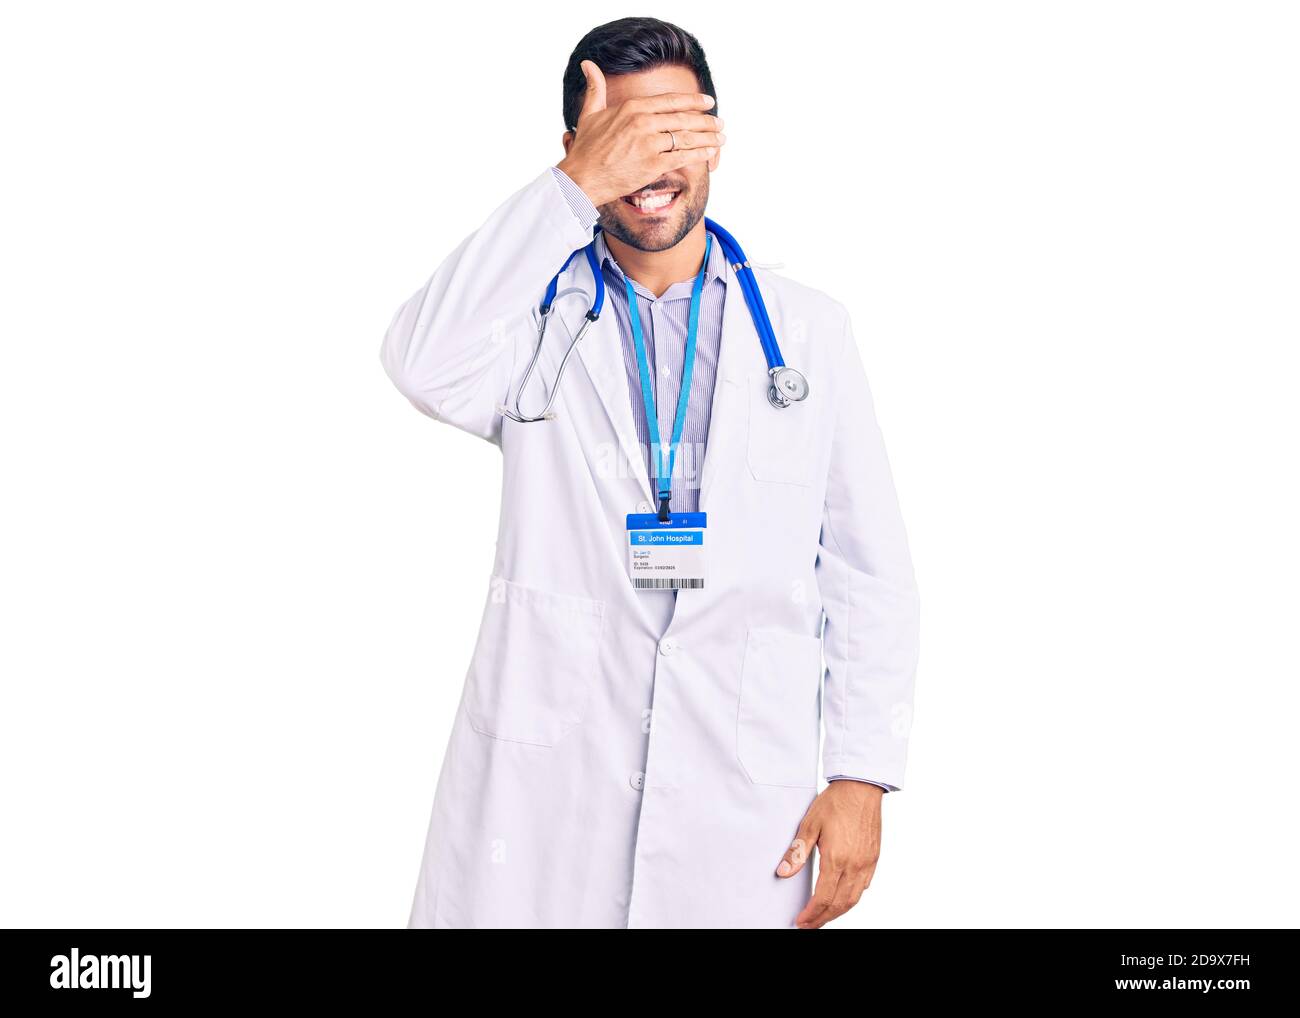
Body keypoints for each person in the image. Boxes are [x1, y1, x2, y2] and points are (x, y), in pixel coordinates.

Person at [380, 16, 920, 929]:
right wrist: (573, 186)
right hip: (547, 795)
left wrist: (860, 777)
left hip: (742, 802)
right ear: (576, 148)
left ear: (719, 141)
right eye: (627, 138)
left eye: (678, 133)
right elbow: (420, 362)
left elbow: (870, 572)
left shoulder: (809, 334)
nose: (653, 163)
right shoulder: (529, 328)